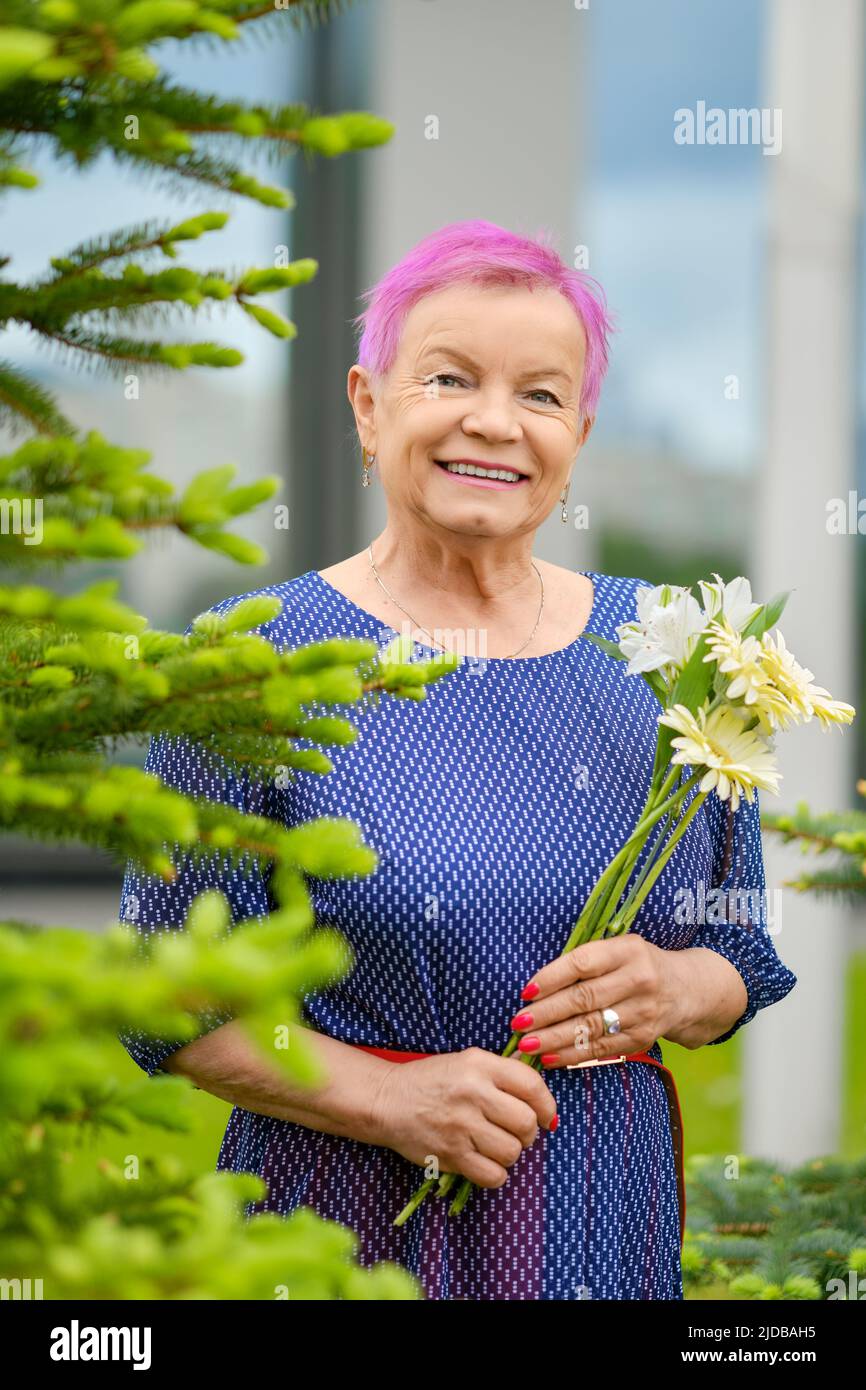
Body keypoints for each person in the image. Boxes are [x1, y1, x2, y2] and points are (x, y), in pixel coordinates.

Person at [119, 219, 797, 1301]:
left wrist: (672, 985)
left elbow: (740, 959)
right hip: (343, 1222)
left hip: (595, 1223)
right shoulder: (249, 661)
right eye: (447, 377)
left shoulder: (671, 655)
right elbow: (166, 1000)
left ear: (577, 432)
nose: (494, 421)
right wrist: (388, 1102)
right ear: (365, 403)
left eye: (539, 394)